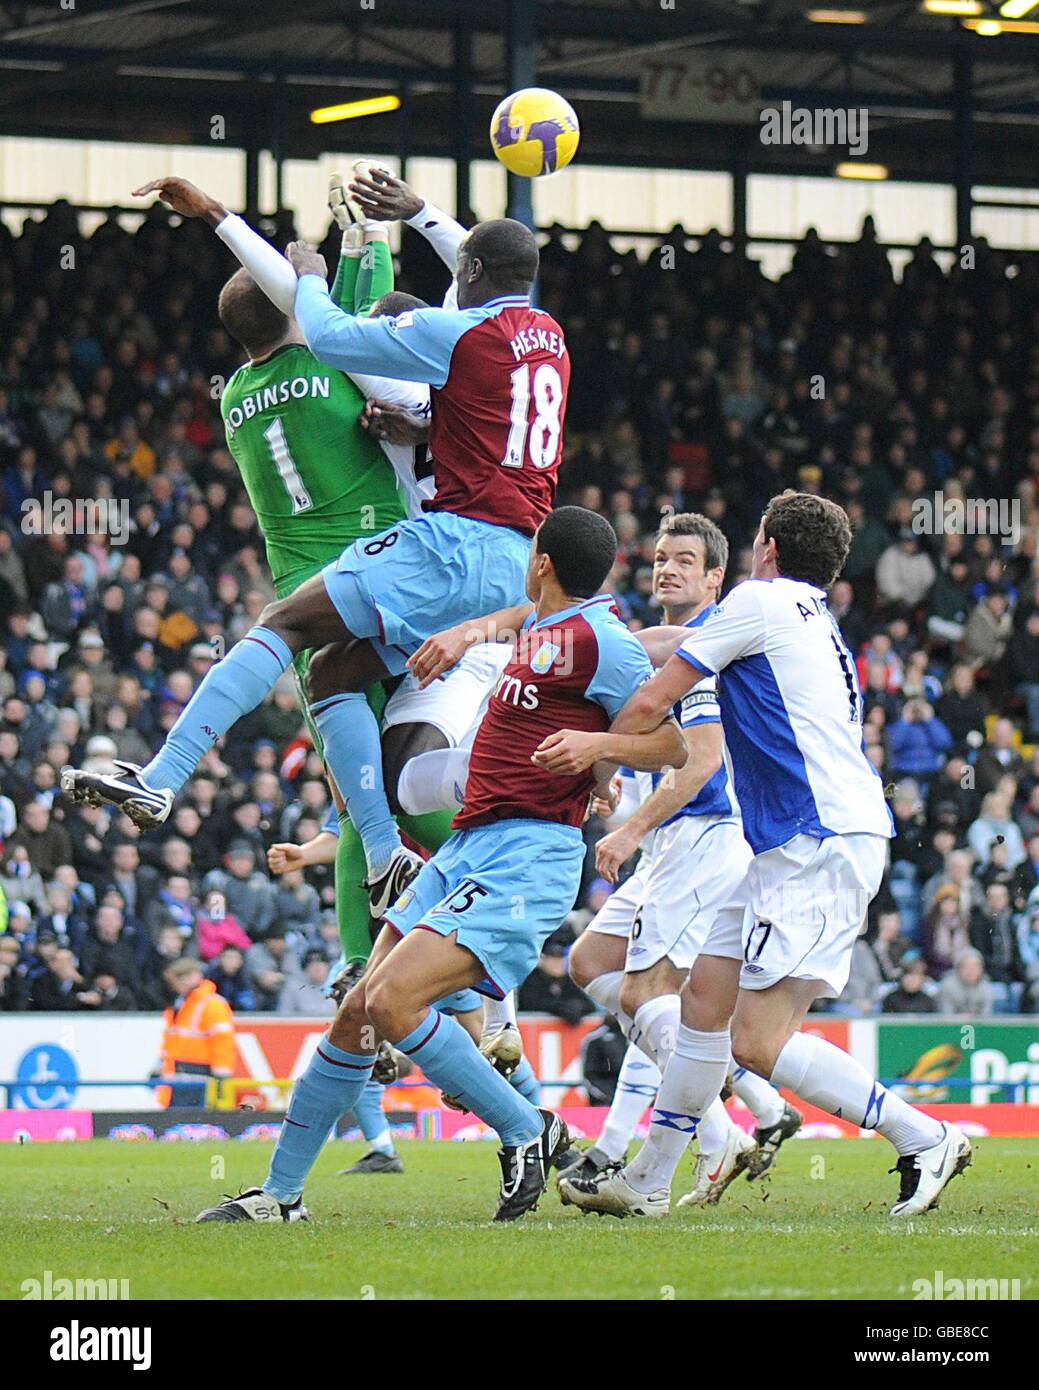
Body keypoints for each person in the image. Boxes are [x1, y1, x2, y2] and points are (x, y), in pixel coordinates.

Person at [62, 174, 559, 931]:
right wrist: (420, 217)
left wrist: (295, 268)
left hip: (445, 555)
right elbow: (486, 268)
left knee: (288, 627)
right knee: (346, 687)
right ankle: (421, 870)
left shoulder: (403, 366)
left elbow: (324, 330)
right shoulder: (543, 334)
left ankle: (165, 777)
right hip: (510, 570)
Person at [195, 507, 686, 1226]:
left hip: (526, 856)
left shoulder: (602, 641)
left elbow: (672, 745)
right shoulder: (539, 623)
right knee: (360, 1009)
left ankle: (526, 1127)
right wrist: (473, 635)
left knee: (393, 1003)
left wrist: (593, 753)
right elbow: (528, 640)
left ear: (540, 561)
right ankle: (281, 1195)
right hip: (465, 845)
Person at [556, 492, 970, 1221]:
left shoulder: (762, 601)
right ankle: (650, 1179)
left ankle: (924, 1135)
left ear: (767, 549)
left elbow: (657, 692)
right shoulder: (800, 612)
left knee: (757, 1042)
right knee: (701, 1003)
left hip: (818, 843)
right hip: (789, 845)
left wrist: (597, 753)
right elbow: (660, 648)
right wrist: (573, 639)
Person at [561, 512, 799, 1199]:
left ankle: (717, 1134)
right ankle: (751, 1104)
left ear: (715, 577)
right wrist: (605, 781)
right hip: (672, 838)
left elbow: (698, 765)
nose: (665, 568)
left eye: (684, 561)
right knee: (592, 964)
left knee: (648, 995)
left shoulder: (717, 641)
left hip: (707, 833)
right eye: (660, 557)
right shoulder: (678, 644)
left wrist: (628, 829)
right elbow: (642, 676)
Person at [155, 957, 236, 1106]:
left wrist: (221, 1078)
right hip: (179, 1075)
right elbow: (171, 1041)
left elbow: (222, 1042)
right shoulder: (182, 1004)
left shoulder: (212, 1004)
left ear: (193, 976)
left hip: (200, 1076)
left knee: (195, 1125)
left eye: (180, 979)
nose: (175, 985)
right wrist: (159, 1067)